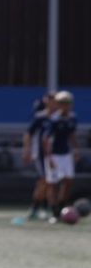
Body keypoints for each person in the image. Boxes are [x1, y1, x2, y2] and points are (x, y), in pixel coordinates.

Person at [20, 93, 56, 223]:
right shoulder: (40, 117)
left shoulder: (59, 117)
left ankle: (46, 209)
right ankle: (38, 210)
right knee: (45, 180)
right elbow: (28, 134)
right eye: (50, 100)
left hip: (55, 155)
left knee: (47, 182)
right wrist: (26, 150)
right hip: (41, 154)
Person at [43, 91, 78, 222]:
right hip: (54, 154)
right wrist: (49, 157)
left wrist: (76, 149)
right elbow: (46, 139)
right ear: (58, 104)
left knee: (68, 181)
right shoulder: (53, 119)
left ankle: (62, 206)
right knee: (52, 183)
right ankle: (54, 211)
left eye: (67, 103)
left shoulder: (72, 118)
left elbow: (71, 135)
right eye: (62, 103)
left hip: (66, 154)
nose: (65, 106)